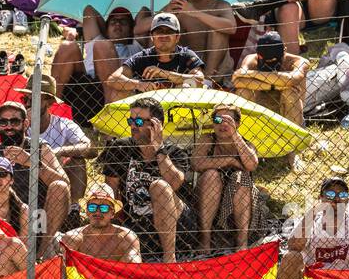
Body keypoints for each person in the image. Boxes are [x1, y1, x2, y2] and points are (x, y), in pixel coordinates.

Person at [99, 98, 195, 263]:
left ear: (156, 124)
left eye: (138, 121)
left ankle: (169, 259)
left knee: (160, 186)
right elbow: (111, 192)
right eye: (131, 120)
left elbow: (174, 183)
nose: (133, 126)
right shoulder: (121, 148)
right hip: (137, 226)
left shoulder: (175, 152)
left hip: (178, 228)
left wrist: (159, 148)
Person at [0, 100, 72, 243]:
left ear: (25, 124)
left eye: (14, 122)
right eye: (4, 122)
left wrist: (31, 162)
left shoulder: (40, 148)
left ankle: (40, 255)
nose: (9, 127)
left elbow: (64, 184)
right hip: (3, 215)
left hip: (38, 216)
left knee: (60, 186)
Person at [279, 172, 349, 279]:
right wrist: (312, 212)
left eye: (342, 194)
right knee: (291, 256)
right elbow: (293, 246)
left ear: (347, 200)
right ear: (320, 198)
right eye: (330, 194)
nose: (337, 199)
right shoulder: (309, 222)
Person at [190, 102, 261, 253]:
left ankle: (241, 243)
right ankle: (205, 241)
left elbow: (251, 165)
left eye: (228, 120)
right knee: (211, 175)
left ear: (237, 123)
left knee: (241, 177)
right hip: (207, 197)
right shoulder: (208, 139)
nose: (222, 124)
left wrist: (235, 136)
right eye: (217, 120)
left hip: (240, 198)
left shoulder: (246, 144)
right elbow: (196, 163)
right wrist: (229, 160)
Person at [107, 11, 206, 100]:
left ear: (177, 37)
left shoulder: (186, 54)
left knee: (187, 86)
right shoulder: (143, 56)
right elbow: (112, 79)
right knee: (117, 93)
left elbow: (200, 80)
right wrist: (139, 84)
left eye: (169, 31)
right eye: (159, 31)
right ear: (152, 37)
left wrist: (164, 73)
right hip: (149, 107)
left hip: (179, 105)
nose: (164, 35)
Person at [57, 183, 141, 262]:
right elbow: (62, 268)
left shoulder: (126, 237)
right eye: (92, 207)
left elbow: (135, 266)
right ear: (87, 212)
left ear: (112, 213)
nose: (97, 212)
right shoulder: (73, 238)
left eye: (104, 208)